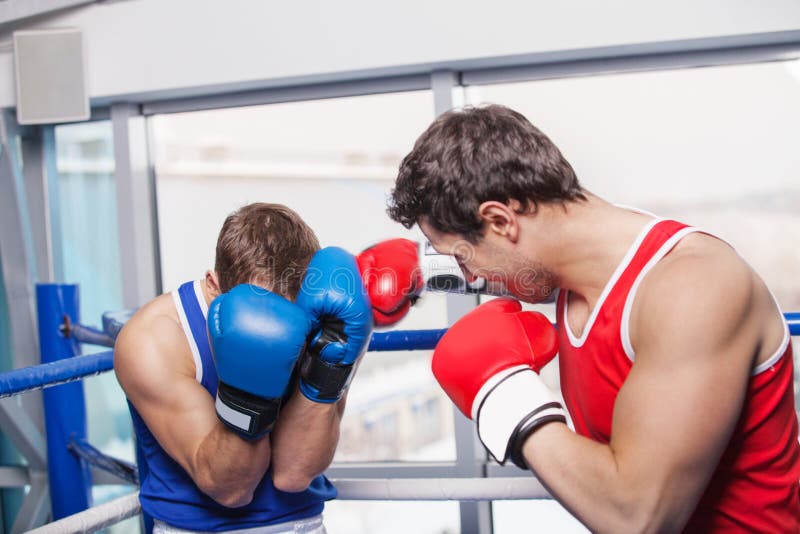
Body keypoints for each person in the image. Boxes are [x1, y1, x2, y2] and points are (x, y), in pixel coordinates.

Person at [387, 104, 800, 532]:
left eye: (460, 257)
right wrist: (412, 275)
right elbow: (504, 269)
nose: (468, 275)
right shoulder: (572, 267)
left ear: (499, 219)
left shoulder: (692, 286)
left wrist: (503, 393)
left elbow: (638, 518)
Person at [115, 202, 420, 533]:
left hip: (303, 524)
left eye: (291, 313)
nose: (280, 325)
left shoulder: (325, 311)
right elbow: (230, 489)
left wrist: (329, 363)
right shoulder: (154, 338)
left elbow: (296, 473)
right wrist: (250, 384)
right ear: (214, 285)